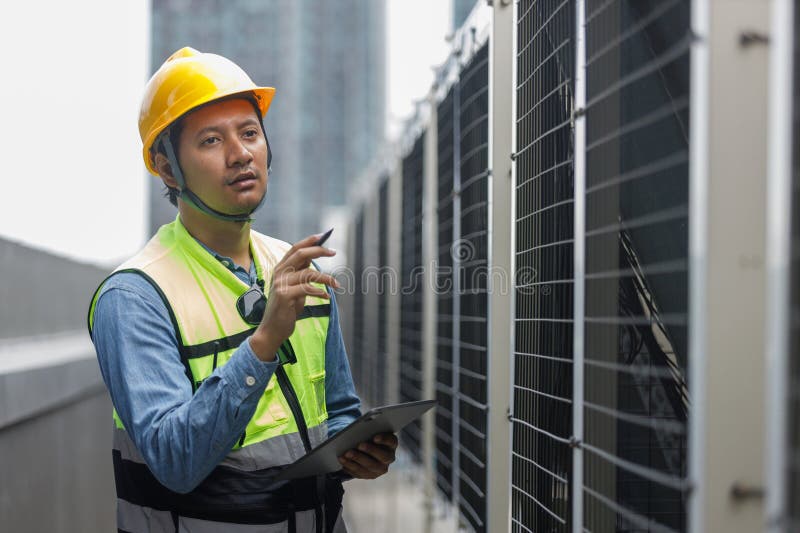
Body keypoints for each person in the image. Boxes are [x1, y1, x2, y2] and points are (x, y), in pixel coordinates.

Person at [88, 47, 397, 533]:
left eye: (250, 133)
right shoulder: (134, 296)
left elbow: (337, 415)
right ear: (168, 169)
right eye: (211, 140)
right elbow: (175, 461)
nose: (240, 153)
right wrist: (264, 342)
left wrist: (357, 454)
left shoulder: (296, 268)